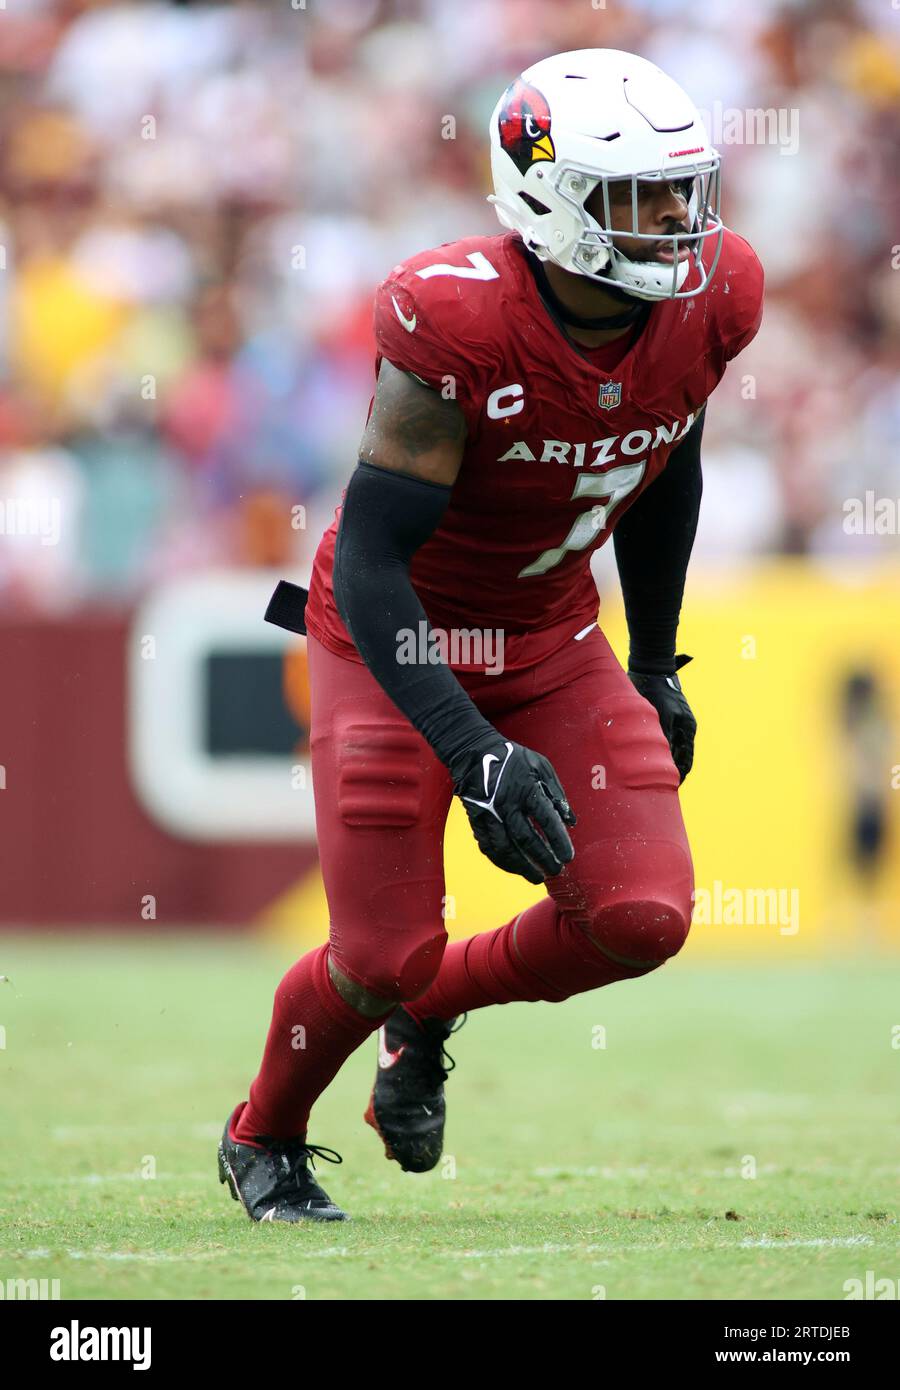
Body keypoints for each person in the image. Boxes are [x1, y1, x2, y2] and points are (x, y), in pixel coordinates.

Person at [218, 48, 764, 1222]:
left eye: (685, 188)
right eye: (642, 196)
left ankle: (431, 1011)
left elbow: (666, 464)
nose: (680, 219)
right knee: (381, 952)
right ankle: (264, 1134)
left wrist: (654, 660)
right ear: (552, 201)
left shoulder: (715, 297)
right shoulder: (456, 316)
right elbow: (372, 564)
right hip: (395, 641)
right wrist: (473, 751)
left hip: (549, 636)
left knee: (639, 916)